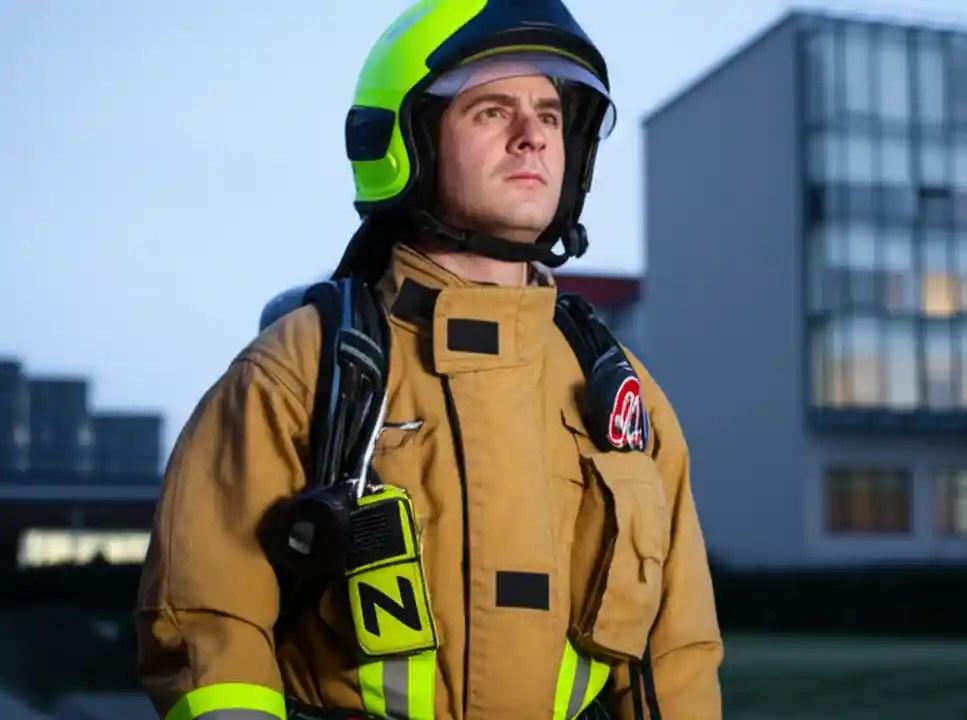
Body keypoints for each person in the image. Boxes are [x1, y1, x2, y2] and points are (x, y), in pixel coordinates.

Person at [133, 1, 724, 719]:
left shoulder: (622, 397)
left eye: (549, 112)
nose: (533, 136)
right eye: (491, 111)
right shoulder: (301, 368)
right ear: (407, 142)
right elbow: (208, 627)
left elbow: (677, 657)